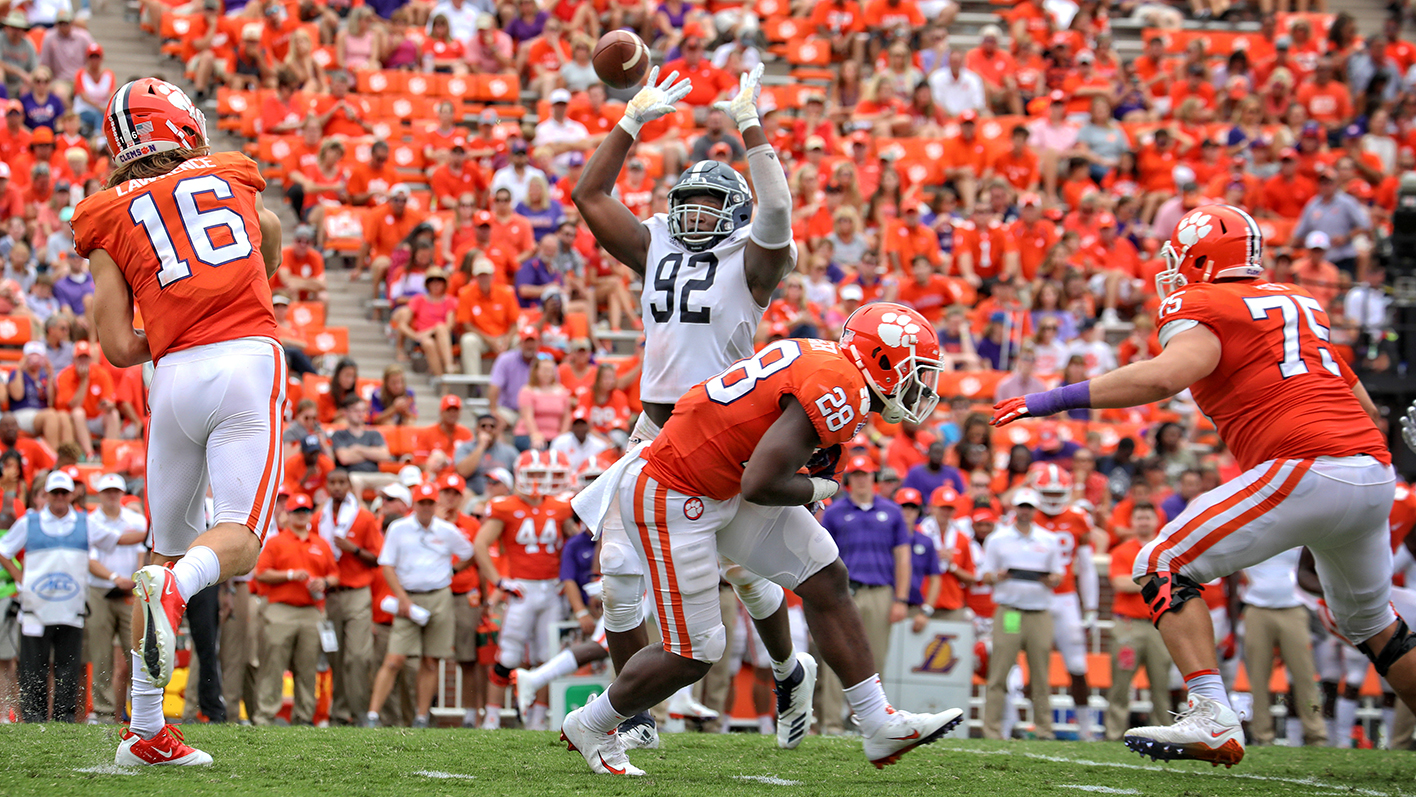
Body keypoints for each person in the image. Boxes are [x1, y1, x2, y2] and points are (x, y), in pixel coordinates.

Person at [993, 204, 1406, 768]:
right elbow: (1359, 404)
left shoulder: (1203, 300)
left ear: (1203, 256)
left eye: (1178, 256)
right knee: (1372, 624)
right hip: (1372, 470)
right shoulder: (1299, 303)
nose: (1172, 268)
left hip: (1305, 463)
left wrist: (1049, 400)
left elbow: (1166, 375)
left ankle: (1212, 713)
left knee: (1162, 560)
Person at [566, 302, 962, 775]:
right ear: (881, 359)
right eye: (915, 372)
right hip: (674, 491)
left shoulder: (826, 360)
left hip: (717, 480)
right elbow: (764, 484)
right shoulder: (841, 384)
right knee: (697, 651)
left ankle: (877, 722)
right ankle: (592, 723)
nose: (920, 387)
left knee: (824, 573)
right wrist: (825, 487)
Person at [569, 64, 815, 753]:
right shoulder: (656, 244)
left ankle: (789, 668)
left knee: (744, 565)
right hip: (655, 427)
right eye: (689, 199)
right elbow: (589, 194)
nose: (695, 212)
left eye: (712, 202)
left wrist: (750, 126)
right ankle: (634, 713)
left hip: (726, 429)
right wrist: (629, 122)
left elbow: (776, 213)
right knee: (617, 569)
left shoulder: (753, 259)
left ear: (733, 214)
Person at [73, 79, 283, 766]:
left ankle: (142, 729)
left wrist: (169, 328)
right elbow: (270, 235)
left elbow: (114, 345)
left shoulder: (103, 212)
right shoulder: (229, 172)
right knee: (240, 540)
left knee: (161, 550)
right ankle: (179, 588)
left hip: (171, 376)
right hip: (246, 356)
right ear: (184, 127)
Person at [0, 470, 145, 722]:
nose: (58, 498)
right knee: (34, 667)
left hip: (71, 608)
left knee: (67, 668)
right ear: (46, 494)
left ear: (71, 495)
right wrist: (19, 576)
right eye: (54, 492)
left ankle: (63, 720)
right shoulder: (30, 522)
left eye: (63, 493)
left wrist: (152, 532)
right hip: (36, 608)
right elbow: (4, 549)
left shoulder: (84, 522)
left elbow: (119, 539)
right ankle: (34, 720)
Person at [473, 450, 577, 729]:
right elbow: (480, 544)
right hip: (523, 588)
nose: (536, 481)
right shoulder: (504, 506)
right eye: (530, 475)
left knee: (547, 656)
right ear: (518, 475)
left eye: (541, 475)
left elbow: (576, 540)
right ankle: (492, 716)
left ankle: (538, 717)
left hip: (551, 589)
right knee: (508, 654)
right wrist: (499, 581)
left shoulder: (559, 506)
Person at [366, 482, 474, 728]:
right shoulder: (399, 528)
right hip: (409, 596)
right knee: (394, 659)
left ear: (435, 504)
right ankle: (372, 715)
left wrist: (452, 571)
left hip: (439, 596)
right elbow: (387, 564)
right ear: (414, 505)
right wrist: (402, 598)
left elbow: (469, 553)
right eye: (422, 503)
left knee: (431, 660)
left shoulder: (446, 530)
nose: (426, 507)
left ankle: (421, 716)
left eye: (429, 503)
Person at [816, 455, 911, 734]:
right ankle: (831, 723)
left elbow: (903, 557)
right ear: (849, 480)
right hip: (845, 592)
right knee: (837, 655)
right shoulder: (834, 513)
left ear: (875, 478)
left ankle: (870, 723)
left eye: (866, 474)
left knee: (876, 659)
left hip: (880, 592)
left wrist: (901, 599)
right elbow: (822, 555)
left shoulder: (892, 512)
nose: (861, 480)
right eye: (856, 474)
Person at [980, 488, 1063, 740]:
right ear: (1014, 508)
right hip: (1011, 611)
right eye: (1021, 506)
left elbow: (1059, 575)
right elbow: (985, 575)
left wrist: (1051, 580)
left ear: (1035, 510)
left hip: (1038, 612)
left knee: (1040, 673)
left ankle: (1044, 729)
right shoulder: (998, 539)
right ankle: (992, 729)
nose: (1025, 511)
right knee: (1000, 670)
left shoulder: (1049, 540)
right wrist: (1000, 576)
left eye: (1029, 507)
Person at [1028, 463, 1102, 739]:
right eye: (1047, 492)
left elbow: (1087, 566)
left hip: (1066, 599)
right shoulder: (1026, 514)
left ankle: (1085, 730)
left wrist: (1091, 607)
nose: (1052, 498)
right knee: (1023, 662)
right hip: (1031, 598)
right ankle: (1024, 722)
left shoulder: (1078, 518)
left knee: (1078, 665)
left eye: (1057, 492)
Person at [252, 493, 337, 726]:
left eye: (306, 511)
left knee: (307, 666)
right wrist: (289, 575)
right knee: (273, 664)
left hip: (311, 610)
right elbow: (261, 573)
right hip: (280, 608)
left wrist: (325, 582)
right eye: (297, 511)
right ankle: (265, 715)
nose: (302, 515)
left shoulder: (320, 543)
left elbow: (334, 573)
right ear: (287, 515)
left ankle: (304, 716)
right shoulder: (276, 542)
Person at [315, 469, 383, 727]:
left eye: (342, 482)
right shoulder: (318, 518)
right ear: (326, 486)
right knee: (336, 655)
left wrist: (351, 548)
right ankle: (339, 713)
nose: (337, 487)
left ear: (350, 486)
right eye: (332, 482)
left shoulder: (363, 517)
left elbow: (377, 558)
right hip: (331, 595)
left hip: (356, 592)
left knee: (357, 656)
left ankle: (361, 710)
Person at [1243, 547, 1326, 746]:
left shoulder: (1297, 528)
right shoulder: (1252, 530)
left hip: (1294, 608)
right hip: (1256, 607)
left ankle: (1316, 734)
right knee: (1258, 677)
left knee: (1305, 675)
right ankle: (1262, 735)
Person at [1104, 501, 1171, 741]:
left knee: (1160, 684)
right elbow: (1119, 582)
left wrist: (1139, 581)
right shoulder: (1122, 550)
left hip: (1158, 624)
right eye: (1139, 517)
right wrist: (1154, 581)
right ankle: (1114, 733)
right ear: (1132, 522)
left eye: (1147, 517)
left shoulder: (1166, 549)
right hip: (1128, 624)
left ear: (1156, 520)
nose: (1143, 522)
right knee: (1121, 683)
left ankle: (1163, 735)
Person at [84, 473, 146, 724]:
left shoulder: (135, 519)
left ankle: (141, 710)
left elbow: (141, 552)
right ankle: (104, 712)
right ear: (100, 494)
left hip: (129, 591)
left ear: (122, 493)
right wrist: (114, 577)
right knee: (101, 654)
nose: (112, 495)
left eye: (115, 491)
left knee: (137, 651)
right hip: (101, 590)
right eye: (107, 491)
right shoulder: (90, 521)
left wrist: (135, 578)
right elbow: (89, 560)